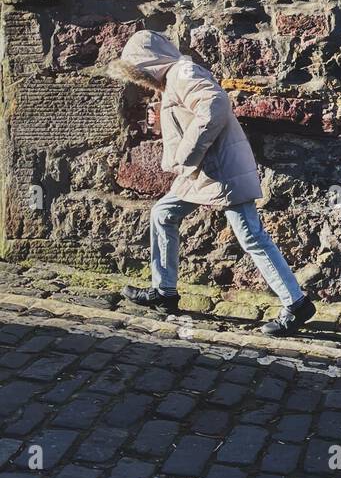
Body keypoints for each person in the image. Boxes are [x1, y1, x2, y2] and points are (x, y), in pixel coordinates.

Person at [107, 29, 316, 337]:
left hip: (219, 169)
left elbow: (215, 105)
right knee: (163, 214)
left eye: (139, 72)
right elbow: (193, 115)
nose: (140, 79)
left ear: (148, 62)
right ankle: (164, 292)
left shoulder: (183, 72)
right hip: (204, 173)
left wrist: (187, 154)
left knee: (250, 235)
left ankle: (297, 305)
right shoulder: (173, 79)